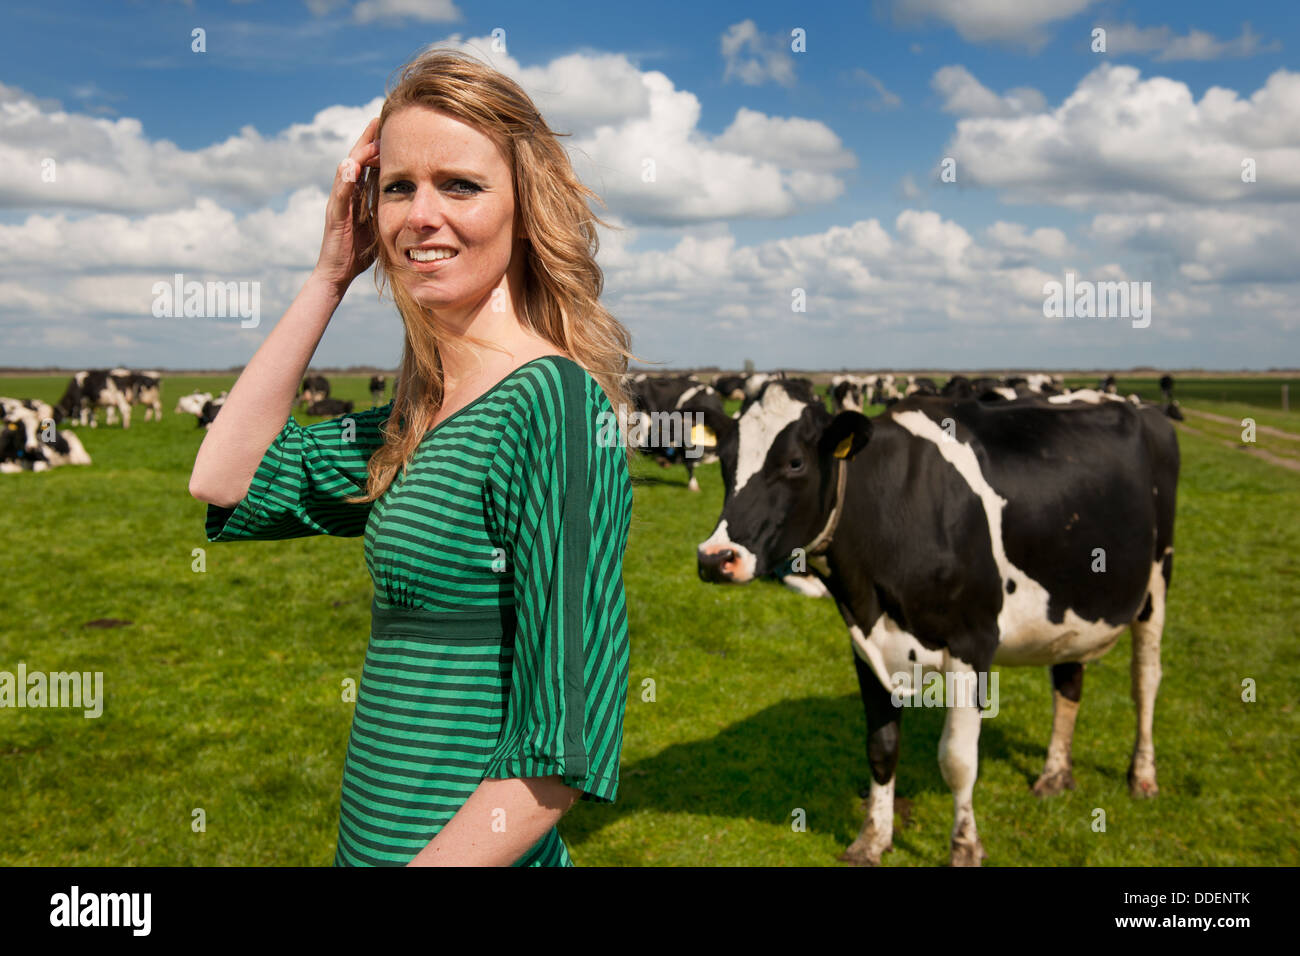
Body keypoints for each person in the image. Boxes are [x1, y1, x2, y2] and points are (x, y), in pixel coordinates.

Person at [189, 47, 636, 867]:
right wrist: (330, 274)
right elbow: (222, 480)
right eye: (398, 187)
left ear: (522, 206)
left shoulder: (553, 408)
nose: (420, 214)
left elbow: (560, 750)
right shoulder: (413, 419)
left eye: (459, 185)